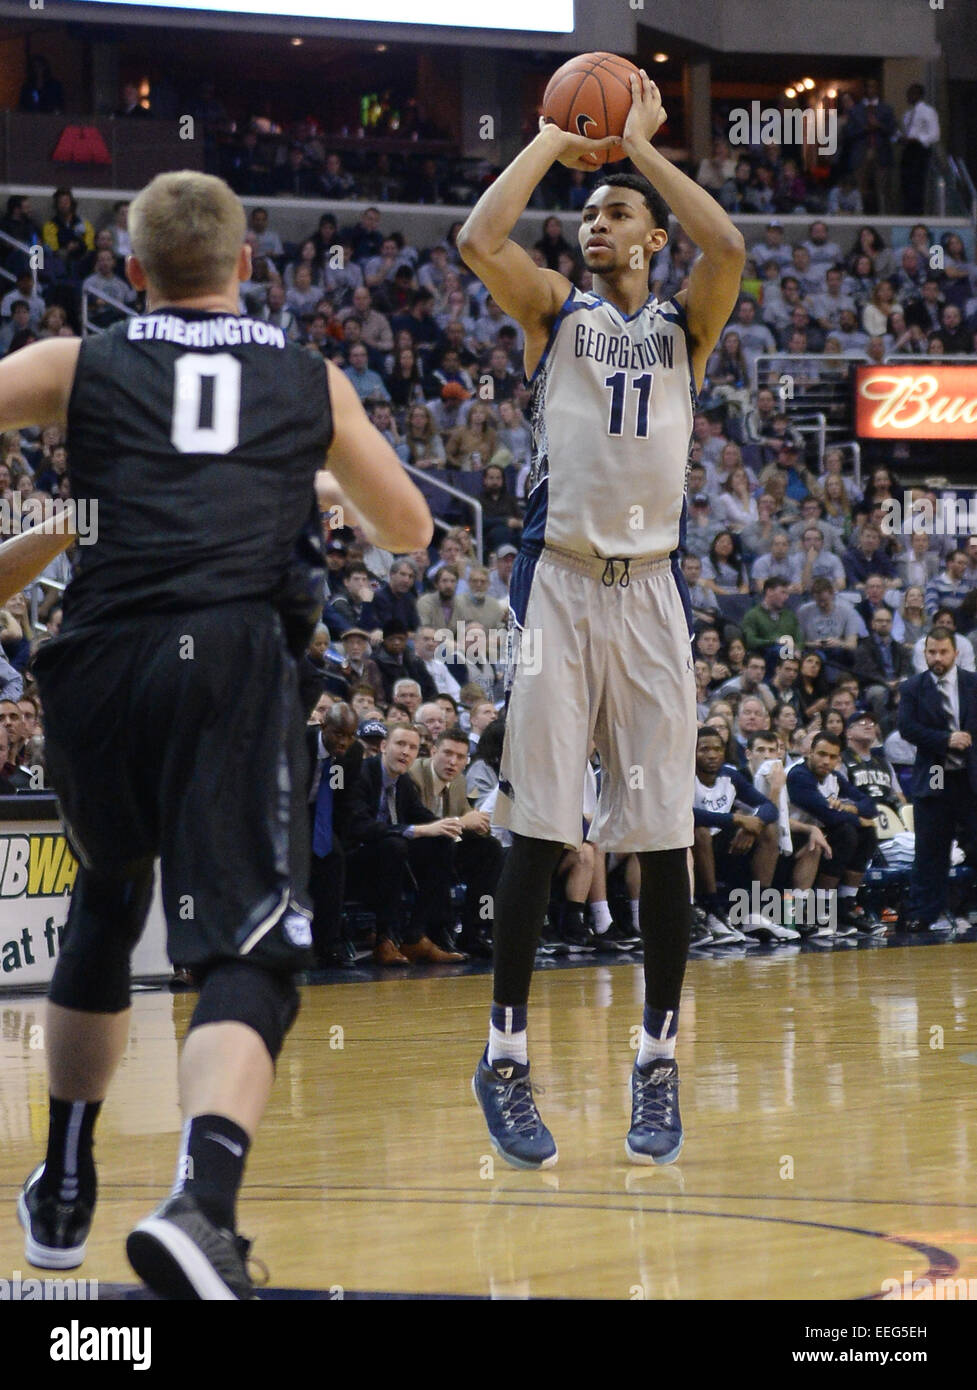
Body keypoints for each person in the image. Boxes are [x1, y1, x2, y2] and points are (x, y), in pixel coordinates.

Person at [4, 170, 432, 1298]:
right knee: (252, 953)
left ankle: (63, 1184)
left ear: (131, 270)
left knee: (109, 900)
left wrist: (73, 514)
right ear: (245, 264)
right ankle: (201, 1205)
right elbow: (407, 526)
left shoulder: (77, 360)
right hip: (228, 664)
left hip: (97, 665)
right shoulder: (306, 374)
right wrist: (303, 484)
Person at [458, 68, 745, 1167]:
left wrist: (640, 148)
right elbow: (478, 239)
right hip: (559, 582)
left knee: (662, 835)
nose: (596, 223)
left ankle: (656, 1059)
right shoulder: (554, 311)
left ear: (651, 237)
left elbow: (726, 245)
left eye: (616, 212)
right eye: (587, 213)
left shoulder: (685, 323)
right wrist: (550, 137)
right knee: (539, 827)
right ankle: (503, 1057)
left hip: (653, 589)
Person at [342, 724, 467, 964]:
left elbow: (422, 816)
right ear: (384, 746)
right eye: (400, 744)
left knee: (442, 843)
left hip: (389, 857)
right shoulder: (361, 772)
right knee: (395, 845)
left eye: (412, 747)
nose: (406, 752)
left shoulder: (403, 781)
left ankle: (415, 936)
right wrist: (418, 830)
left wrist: (450, 826)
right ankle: (385, 939)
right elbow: (359, 827)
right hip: (353, 859)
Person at [898, 626, 977, 932]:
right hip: (935, 771)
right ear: (924, 653)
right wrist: (946, 740)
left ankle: (966, 906)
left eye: (943, 652)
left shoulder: (972, 683)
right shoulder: (913, 687)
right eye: (932, 652)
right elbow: (907, 728)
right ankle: (922, 913)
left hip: (969, 774)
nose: (937, 658)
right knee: (930, 846)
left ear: (955, 653)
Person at [409, 727, 503, 958]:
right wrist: (463, 822)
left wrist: (479, 823)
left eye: (460, 757)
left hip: (446, 847)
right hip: (414, 848)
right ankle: (439, 931)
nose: (453, 762)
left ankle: (478, 929)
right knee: (443, 846)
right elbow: (419, 822)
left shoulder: (459, 781)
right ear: (433, 751)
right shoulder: (414, 775)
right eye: (447, 753)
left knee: (490, 848)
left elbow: (471, 818)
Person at [898, 85, 940, 217]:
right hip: (908, 149)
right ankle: (907, 210)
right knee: (906, 180)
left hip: (920, 149)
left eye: (912, 94)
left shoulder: (928, 111)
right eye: (908, 94)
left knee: (917, 181)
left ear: (919, 95)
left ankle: (917, 212)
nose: (909, 97)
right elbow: (906, 131)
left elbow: (935, 134)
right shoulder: (907, 113)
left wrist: (917, 139)